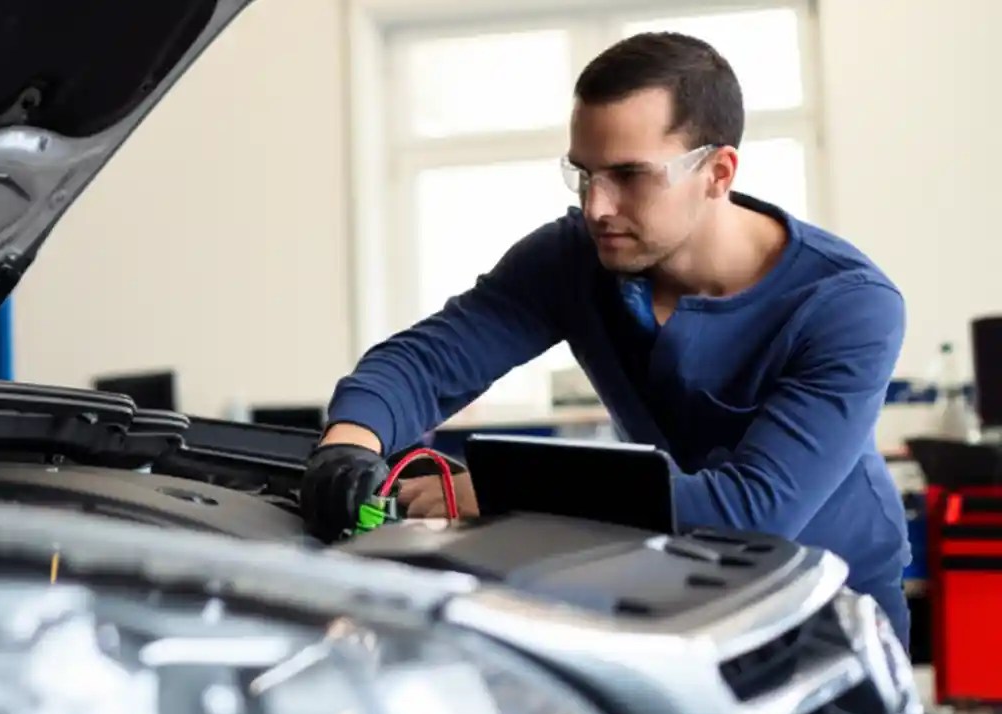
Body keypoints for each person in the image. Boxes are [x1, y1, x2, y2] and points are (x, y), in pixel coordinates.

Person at [298, 31, 912, 645]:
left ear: (717, 172)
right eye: (584, 174)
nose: (596, 207)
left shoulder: (850, 307)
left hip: (830, 606)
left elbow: (752, 509)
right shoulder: (576, 259)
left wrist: (510, 491)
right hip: (676, 589)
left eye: (629, 175)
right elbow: (427, 361)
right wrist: (350, 443)